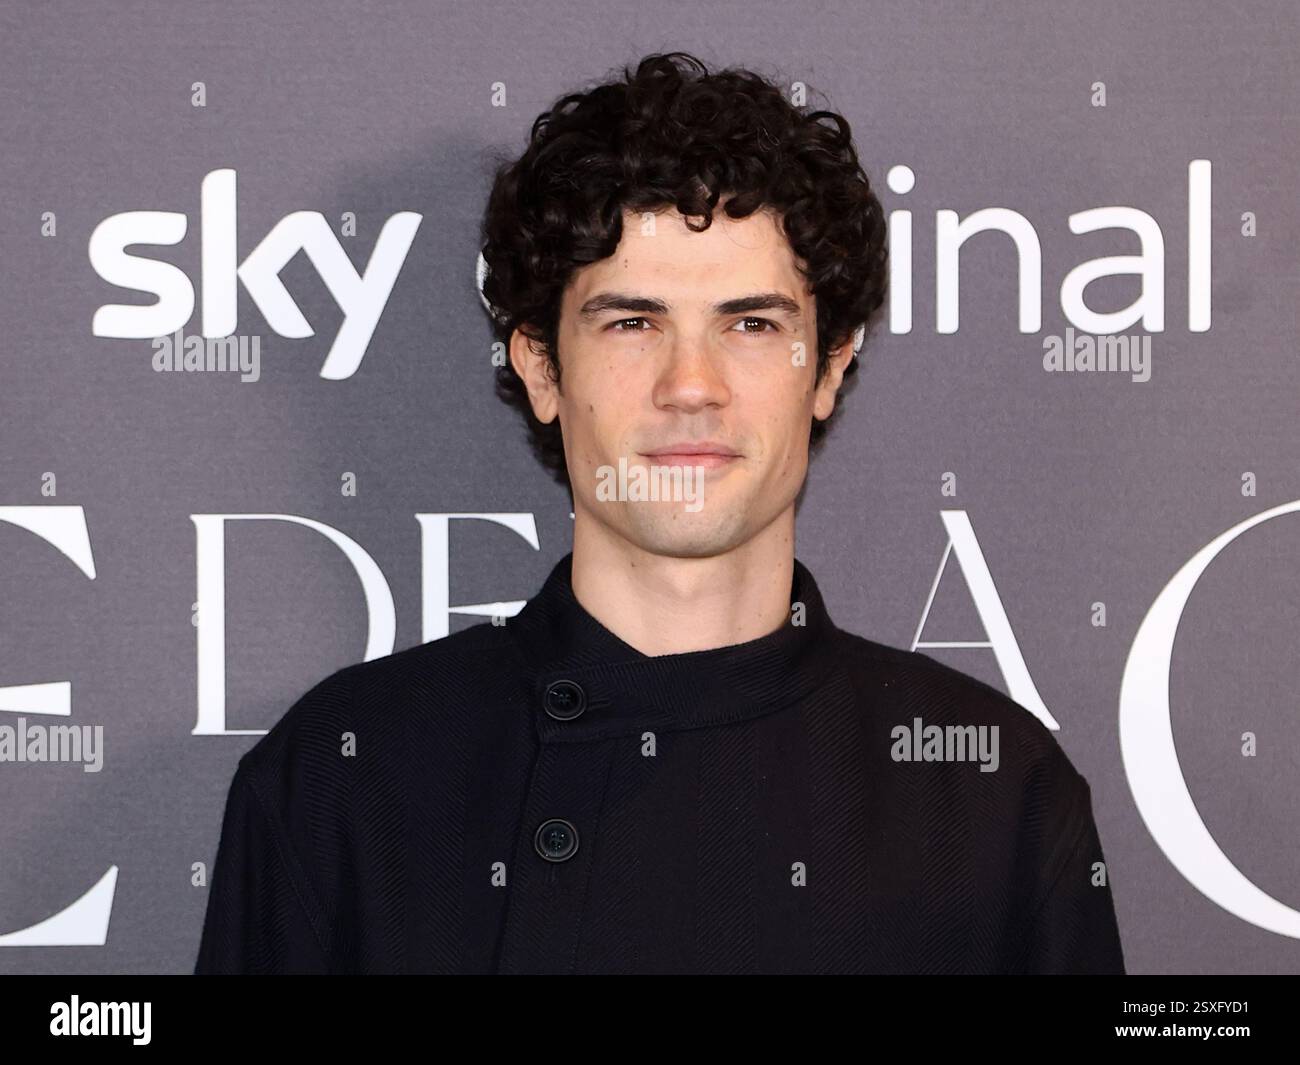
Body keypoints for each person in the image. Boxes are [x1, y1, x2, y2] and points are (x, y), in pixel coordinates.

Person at [195, 51, 1125, 974]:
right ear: (540, 366)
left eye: (751, 324)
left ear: (830, 366)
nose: (692, 386)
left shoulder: (992, 796)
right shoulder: (342, 783)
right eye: (632, 322)